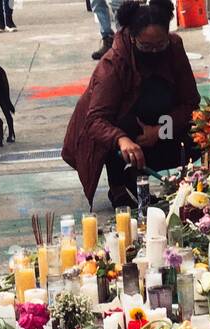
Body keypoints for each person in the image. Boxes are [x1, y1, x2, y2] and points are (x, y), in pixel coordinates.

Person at [63, 0, 198, 208]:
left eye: (160, 45)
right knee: (118, 132)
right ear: (132, 38)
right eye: (146, 46)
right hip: (123, 129)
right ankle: (119, 185)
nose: (154, 52)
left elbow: (190, 102)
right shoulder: (113, 64)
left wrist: (161, 130)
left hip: (159, 124)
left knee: (199, 137)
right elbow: (96, 121)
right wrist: (122, 139)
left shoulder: (174, 48)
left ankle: (156, 177)